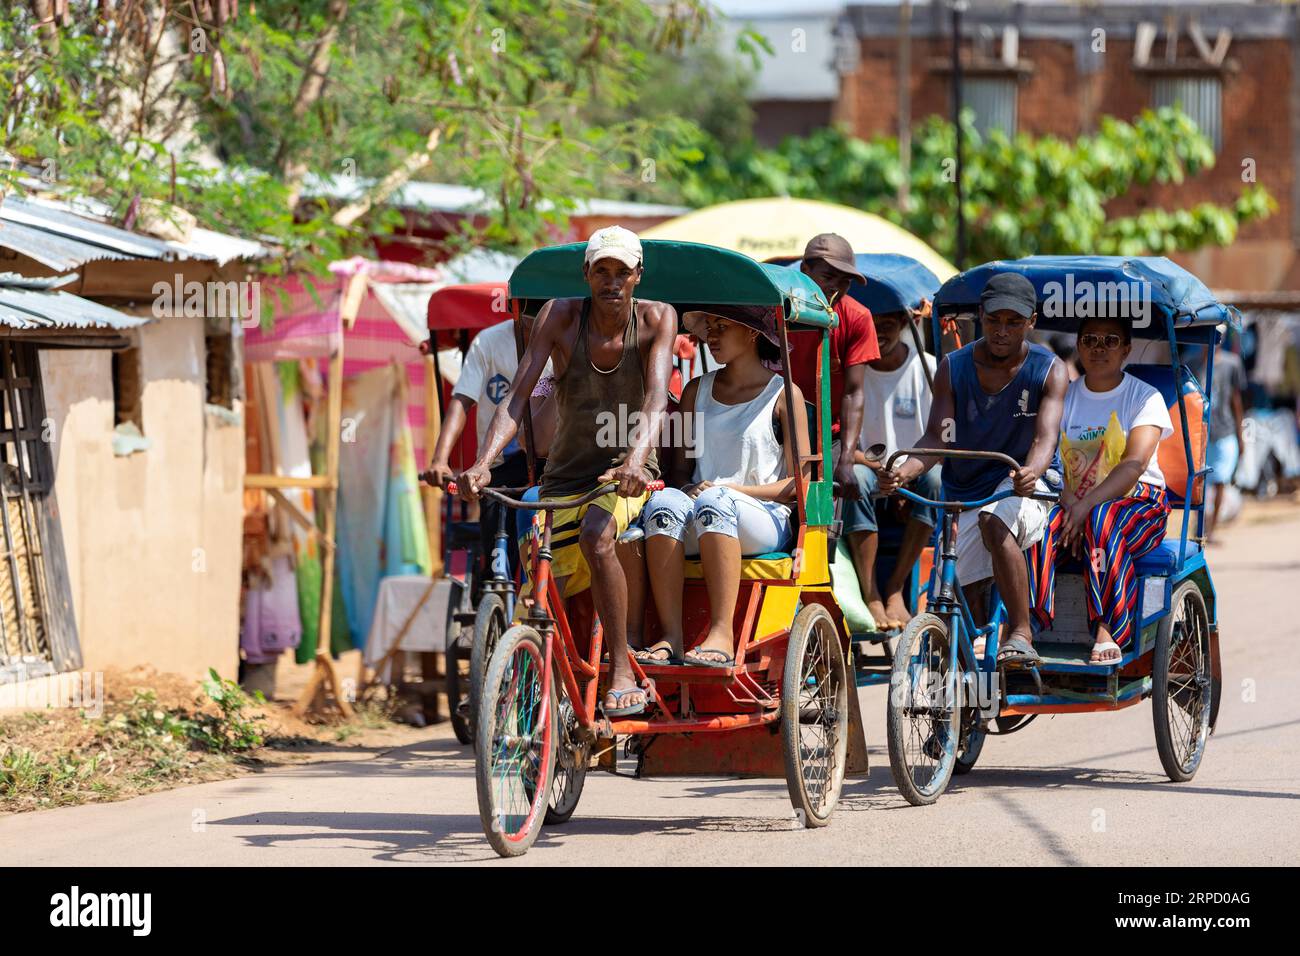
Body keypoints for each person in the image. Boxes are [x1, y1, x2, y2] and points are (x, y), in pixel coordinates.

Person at [458, 225, 676, 717]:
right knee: (536, 564)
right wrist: (483, 463)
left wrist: (636, 460)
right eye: (602, 270)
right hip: (565, 473)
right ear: (586, 274)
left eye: (622, 272)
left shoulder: (659, 317)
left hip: (628, 471)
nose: (612, 282)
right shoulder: (558, 314)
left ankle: (620, 668)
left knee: (598, 535)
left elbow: (656, 399)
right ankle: (530, 682)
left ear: (638, 276)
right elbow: (517, 397)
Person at [879, 272, 1067, 667]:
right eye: (994, 320)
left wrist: (1030, 471)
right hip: (966, 489)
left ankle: (1020, 633)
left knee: (994, 521)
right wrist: (904, 472)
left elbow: (1045, 439)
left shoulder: (1049, 370)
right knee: (951, 588)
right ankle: (970, 675)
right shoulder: (953, 366)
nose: (1002, 330)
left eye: (1013, 322)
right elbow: (936, 439)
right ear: (980, 316)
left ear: (1031, 321)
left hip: (1027, 486)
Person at [637, 305, 811, 666]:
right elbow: (680, 472)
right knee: (661, 504)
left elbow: (800, 484)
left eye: (722, 327)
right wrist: (688, 489)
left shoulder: (784, 394)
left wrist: (731, 492)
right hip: (704, 509)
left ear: (752, 334)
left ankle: (722, 634)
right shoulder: (695, 390)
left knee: (716, 501)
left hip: (763, 518)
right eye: (709, 328)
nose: (711, 336)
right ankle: (670, 636)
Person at [1025, 316, 1174, 664]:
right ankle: (1030, 622)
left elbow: (1134, 464)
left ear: (1125, 349)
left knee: (1102, 519)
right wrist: (1070, 504)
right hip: (1071, 501)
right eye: (1090, 339)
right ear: (1079, 346)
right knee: (1037, 525)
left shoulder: (1144, 397)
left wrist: (1085, 506)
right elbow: (1045, 460)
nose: (1099, 348)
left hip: (1139, 502)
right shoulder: (1065, 397)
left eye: (1110, 340)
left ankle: (1110, 627)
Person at [426, 316, 552, 580]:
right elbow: (462, 401)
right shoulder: (489, 341)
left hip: (548, 465)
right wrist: (439, 459)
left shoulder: (566, 336)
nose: (537, 312)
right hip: (498, 468)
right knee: (495, 561)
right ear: (513, 305)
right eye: (527, 303)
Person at [841, 304, 941, 630]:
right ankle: (870, 592)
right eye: (873, 325)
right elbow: (844, 445)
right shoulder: (855, 368)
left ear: (902, 323)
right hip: (869, 468)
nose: (880, 333)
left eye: (887, 324)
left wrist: (904, 474)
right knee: (854, 477)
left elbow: (940, 441)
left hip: (916, 468)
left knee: (937, 481)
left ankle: (895, 587)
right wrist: (879, 469)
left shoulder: (927, 368)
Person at [791, 234, 880, 499]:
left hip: (832, 438)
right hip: (778, 432)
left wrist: (847, 458)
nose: (835, 288)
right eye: (828, 277)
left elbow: (854, 392)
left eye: (845, 282)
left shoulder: (857, 317)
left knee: (859, 481)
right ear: (805, 271)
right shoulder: (778, 312)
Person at [1203, 342, 1247, 544]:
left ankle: (1210, 530)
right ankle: (1201, 527)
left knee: (1220, 480)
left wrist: (1240, 435)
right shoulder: (1192, 363)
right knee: (1200, 484)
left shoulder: (1232, 363)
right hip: (1201, 433)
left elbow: (1236, 400)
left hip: (1225, 430)